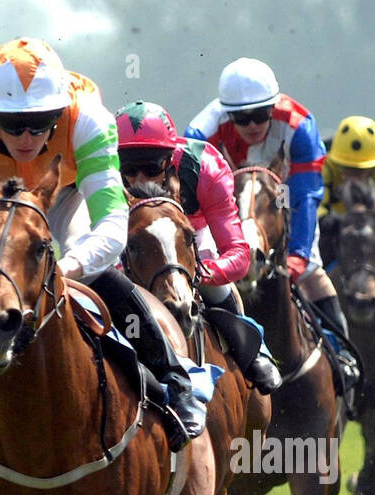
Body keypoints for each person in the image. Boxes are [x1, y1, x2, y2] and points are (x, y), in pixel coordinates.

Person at [0, 37, 205, 451]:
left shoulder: (89, 119)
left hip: (64, 196)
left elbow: (111, 225)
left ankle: (173, 380)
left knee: (97, 273)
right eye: (14, 125)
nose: (29, 135)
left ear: (62, 111)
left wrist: (67, 267)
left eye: (43, 121)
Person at [186, 57, 361, 396]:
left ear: (273, 107)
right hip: (222, 209)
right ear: (226, 114)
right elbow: (192, 204)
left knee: (312, 269)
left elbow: (306, 196)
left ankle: (342, 358)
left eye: (260, 114)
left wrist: (297, 256)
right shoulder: (200, 133)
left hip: (281, 204)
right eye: (241, 117)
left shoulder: (300, 125)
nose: (252, 124)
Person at [113, 99, 281, 392]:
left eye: (151, 168)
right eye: (129, 168)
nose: (140, 179)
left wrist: (197, 272)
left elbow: (238, 254)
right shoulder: (102, 175)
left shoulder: (205, 168)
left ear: (169, 161)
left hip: (190, 233)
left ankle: (253, 353)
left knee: (213, 283)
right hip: (124, 237)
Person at [318, 115, 375, 270]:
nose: (353, 176)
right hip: (338, 223)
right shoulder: (325, 156)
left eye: (361, 171)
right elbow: (317, 205)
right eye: (347, 169)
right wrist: (334, 223)